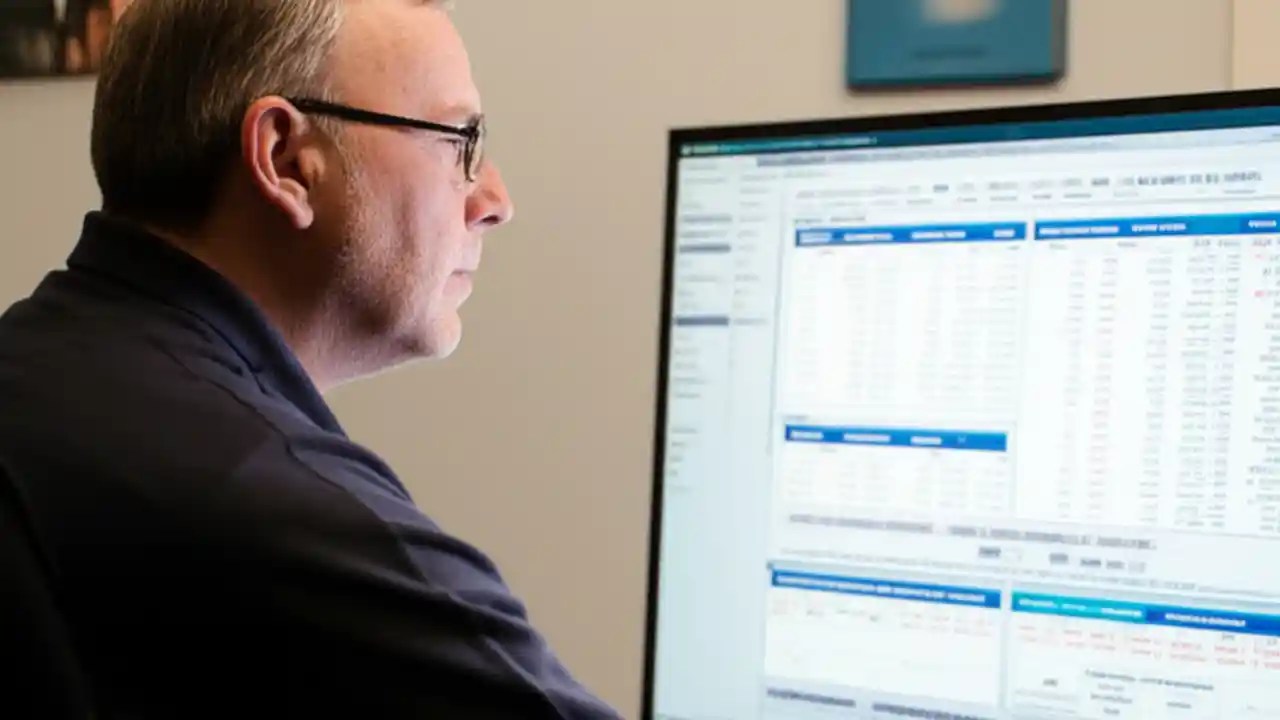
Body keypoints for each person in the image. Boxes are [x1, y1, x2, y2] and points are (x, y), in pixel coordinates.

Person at [0, 1, 622, 718]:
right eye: (460, 140)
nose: (493, 199)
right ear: (287, 160)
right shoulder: (254, 496)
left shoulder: (38, 372)